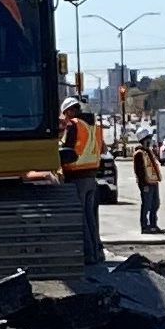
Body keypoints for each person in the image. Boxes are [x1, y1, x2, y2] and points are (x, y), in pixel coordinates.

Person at [60, 98, 106, 260]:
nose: (65, 119)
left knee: (81, 218)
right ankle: (96, 252)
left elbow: (67, 149)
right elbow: (103, 148)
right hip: (91, 176)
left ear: (70, 111)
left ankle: (87, 254)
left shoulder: (74, 124)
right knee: (91, 217)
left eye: (65, 115)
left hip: (76, 175)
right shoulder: (95, 125)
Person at [132, 137, 165, 235]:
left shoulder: (149, 152)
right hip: (146, 184)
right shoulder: (139, 153)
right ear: (143, 141)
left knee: (155, 205)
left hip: (154, 182)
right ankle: (145, 226)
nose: (149, 142)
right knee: (146, 205)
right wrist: (143, 184)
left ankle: (153, 225)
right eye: (148, 140)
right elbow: (139, 172)